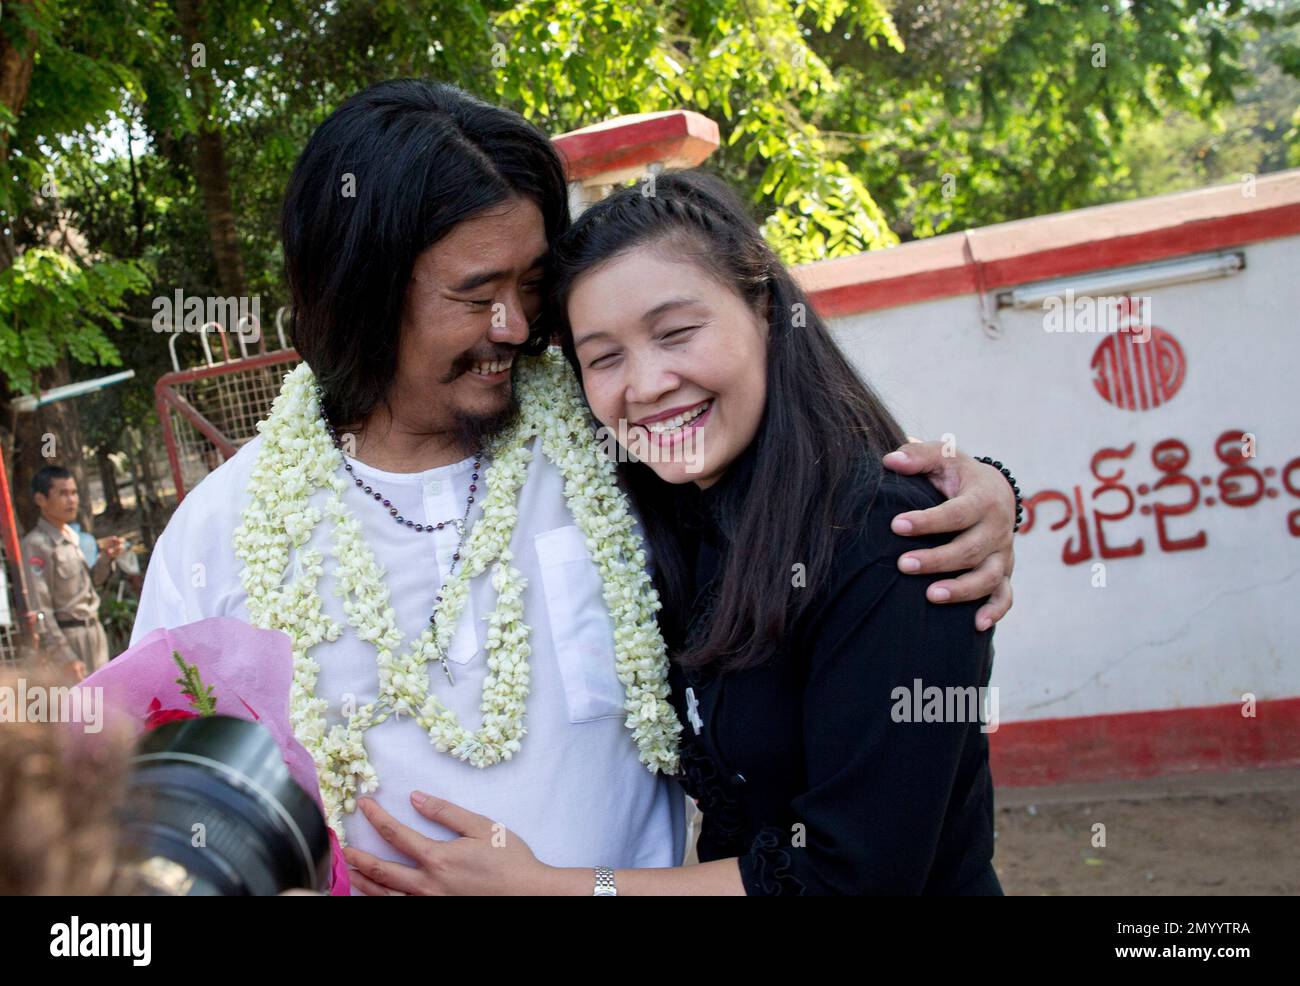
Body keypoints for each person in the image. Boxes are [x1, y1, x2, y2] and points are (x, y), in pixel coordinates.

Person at [131, 80, 1016, 895]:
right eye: (477, 294)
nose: (514, 327)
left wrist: (985, 491)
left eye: (532, 287)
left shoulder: (617, 443)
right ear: (361, 290)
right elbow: (166, 802)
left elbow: (813, 487)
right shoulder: (223, 534)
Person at [346, 170, 1010, 895]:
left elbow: (853, 882)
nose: (648, 383)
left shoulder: (895, 539)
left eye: (677, 333)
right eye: (604, 357)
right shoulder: (664, 517)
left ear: (762, 308)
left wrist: (550, 888)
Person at [23, 466, 126, 679]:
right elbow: (40, 607)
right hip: (68, 638)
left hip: (93, 633)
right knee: (80, 709)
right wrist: (64, 656)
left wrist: (107, 558)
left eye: (74, 492)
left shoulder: (72, 536)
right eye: (62, 494)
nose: (71, 500)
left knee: (103, 706)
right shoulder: (37, 545)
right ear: (41, 499)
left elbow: (89, 584)